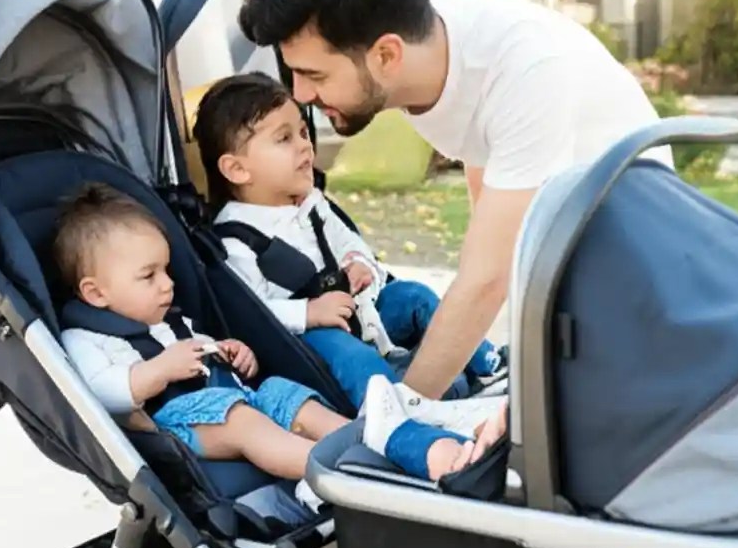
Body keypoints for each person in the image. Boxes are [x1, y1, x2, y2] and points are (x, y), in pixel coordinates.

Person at [237, 0, 672, 399]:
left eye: (315, 76)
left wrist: (401, 416)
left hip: (630, 258)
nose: (300, 95)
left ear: (386, 56)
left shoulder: (527, 76)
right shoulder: (419, 36)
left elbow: (489, 279)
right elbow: (482, 178)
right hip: (558, 245)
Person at [52, 182, 506, 496]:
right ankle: (337, 475)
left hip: (230, 398)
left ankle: (394, 443)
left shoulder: (166, 317)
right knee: (245, 424)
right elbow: (102, 393)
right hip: (173, 422)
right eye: (148, 276)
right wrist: (158, 370)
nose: (167, 284)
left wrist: (228, 353)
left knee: (290, 398)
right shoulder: (85, 337)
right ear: (96, 292)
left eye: (167, 270)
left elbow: (203, 352)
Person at [193, 71, 507, 411]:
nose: (304, 144)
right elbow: (251, 313)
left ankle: (488, 367)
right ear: (237, 170)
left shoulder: (312, 203)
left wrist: (358, 262)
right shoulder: (236, 239)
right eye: (284, 139)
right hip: (312, 340)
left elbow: (348, 243)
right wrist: (309, 312)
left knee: (414, 297)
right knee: (353, 357)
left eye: (302, 131)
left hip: (361, 312)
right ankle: (394, 412)